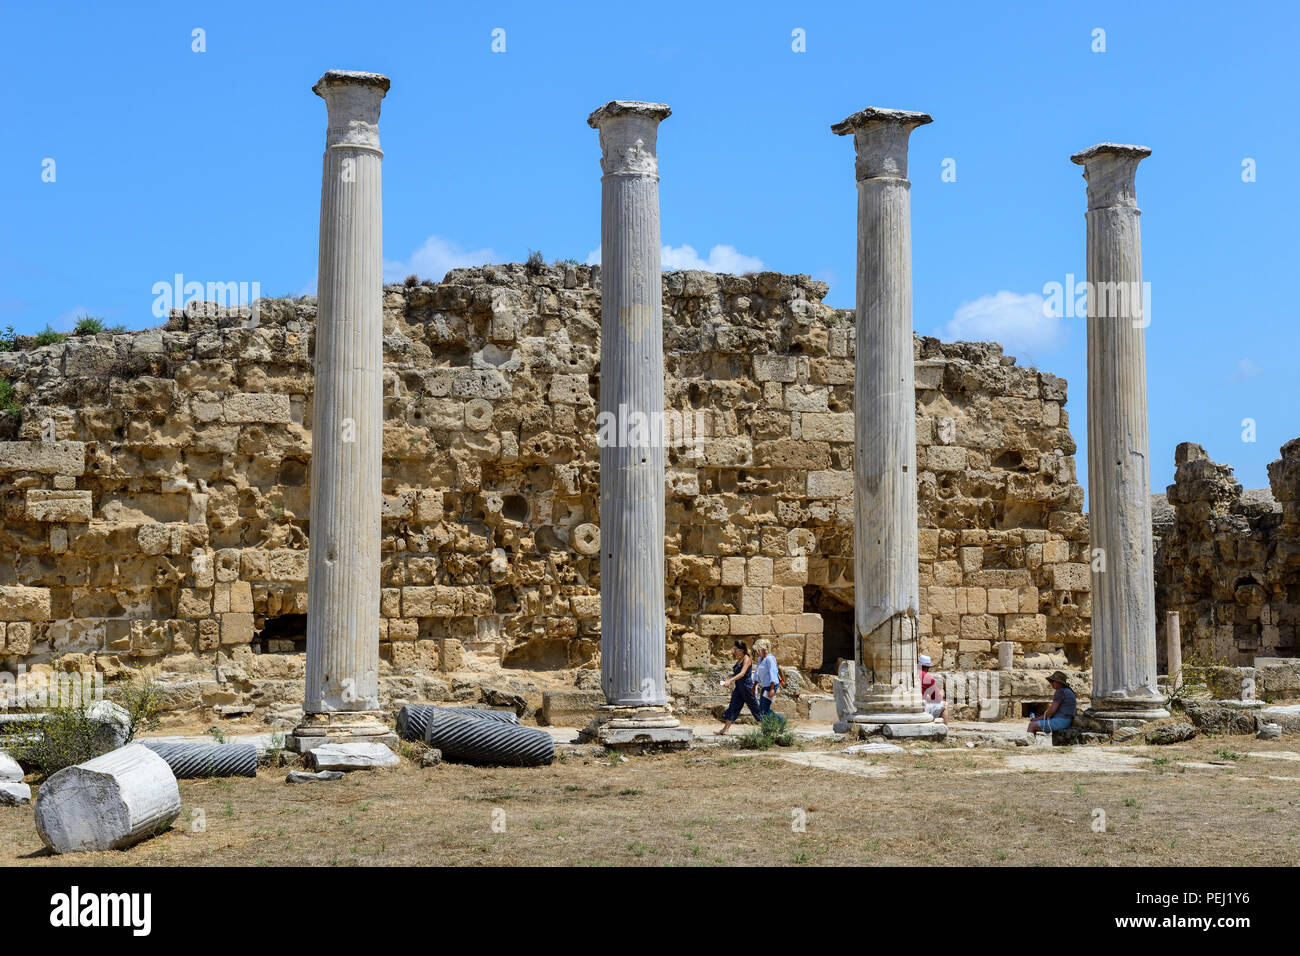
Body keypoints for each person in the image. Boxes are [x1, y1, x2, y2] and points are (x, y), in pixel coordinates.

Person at [716, 640, 762, 735]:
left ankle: (767, 728)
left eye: (735, 649)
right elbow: (737, 673)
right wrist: (730, 677)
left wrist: (730, 681)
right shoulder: (740, 659)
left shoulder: (746, 659)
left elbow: (742, 673)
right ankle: (725, 730)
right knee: (733, 706)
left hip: (747, 687)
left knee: (755, 708)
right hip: (739, 687)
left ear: (741, 650)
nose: (734, 651)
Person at [1027, 670, 1076, 735]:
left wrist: (1038, 719)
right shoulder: (1068, 691)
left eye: (1053, 681)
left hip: (1061, 721)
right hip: (1067, 721)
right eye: (1050, 681)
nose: (1051, 683)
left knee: (1032, 725)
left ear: (1059, 682)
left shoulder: (1060, 691)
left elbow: (1051, 711)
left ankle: (1029, 744)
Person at [752, 639, 785, 725]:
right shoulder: (760, 659)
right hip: (765, 686)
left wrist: (772, 689)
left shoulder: (770, 659)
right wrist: (754, 686)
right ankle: (777, 723)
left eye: (757, 650)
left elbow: (773, 673)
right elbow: (757, 674)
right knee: (762, 708)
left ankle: (780, 722)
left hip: (771, 686)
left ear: (763, 649)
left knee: (764, 709)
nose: (756, 652)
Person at [918, 654, 947, 723]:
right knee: (944, 705)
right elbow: (938, 699)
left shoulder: (910, 674)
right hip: (920, 709)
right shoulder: (927, 677)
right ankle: (944, 729)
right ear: (928, 668)